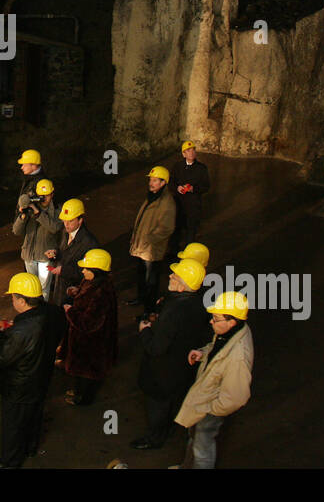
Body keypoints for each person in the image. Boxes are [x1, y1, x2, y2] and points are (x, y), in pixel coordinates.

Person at [131, 258, 209, 450]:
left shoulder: (174, 311)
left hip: (162, 373)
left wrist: (145, 330)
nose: (171, 276)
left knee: (157, 407)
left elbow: (156, 348)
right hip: (181, 369)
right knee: (171, 403)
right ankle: (168, 429)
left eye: (176, 276)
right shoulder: (198, 303)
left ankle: (155, 438)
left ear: (182, 287)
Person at [0, 272, 63, 469]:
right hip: (42, 377)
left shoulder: (24, 329)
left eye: (13, 297)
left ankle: (10, 462)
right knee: (34, 415)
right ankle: (30, 447)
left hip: (20, 386)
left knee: (13, 425)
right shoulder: (53, 312)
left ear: (21, 301)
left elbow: (1, 356)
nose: (12, 300)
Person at [174, 291, 253, 469]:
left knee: (203, 448)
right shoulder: (233, 332)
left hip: (210, 408)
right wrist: (203, 353)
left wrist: (211, 410)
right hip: (205, 401)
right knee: (195, 439)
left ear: (231, 321)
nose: (211, 321)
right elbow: (217, 349)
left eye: (216, 319)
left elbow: (236, 398)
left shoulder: (238, 357)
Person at [61, 248, 118, 406]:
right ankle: (79, 392)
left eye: (87, 268)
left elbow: (88, 323)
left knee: (88, 375)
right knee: (83, 374)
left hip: (91, 344)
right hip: (86, 342)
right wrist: (76, 292)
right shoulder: (94, 282)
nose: (83, 270)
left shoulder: (101, 293)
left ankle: (83, 399)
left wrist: (70, 311)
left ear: (97, 271)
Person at [127, 166, 177, 310]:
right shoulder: (152, 197)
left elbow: (166, 228)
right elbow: (142, 219)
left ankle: (149, 309)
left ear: (163, 183)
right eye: (150, 180)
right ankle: (141, 299)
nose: (151, 183)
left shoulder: (167, 202)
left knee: (151, 280)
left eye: (155, 180)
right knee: (142, 276)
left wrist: (149, 239)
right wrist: (136, 237)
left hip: (151, 249)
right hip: (142, 246)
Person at [47, 198, 98, 308]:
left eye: (70, 221)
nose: (66, 224)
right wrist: (54, 253)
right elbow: (61, 250)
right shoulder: (65, 232)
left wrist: (64, 270)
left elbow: (91, 273)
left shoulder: (89, 243)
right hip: (59, 289)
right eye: (64, 220)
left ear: (80, 220)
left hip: (75, 294)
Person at [14, 178, 58, 296]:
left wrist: (37, 212)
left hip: (46, 256)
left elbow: (54, 227)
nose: (43, 199)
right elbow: (16, 231)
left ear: (52, 194)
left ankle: (43, 311)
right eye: (41, 196)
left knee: (43, 288)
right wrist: (23, 216)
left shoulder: (57, 209)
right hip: (30, 255)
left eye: (46, 195)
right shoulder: (31, 208)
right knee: (32, 288)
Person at [172, 141, 212, 245]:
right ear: (183, 154)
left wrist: (193, 189)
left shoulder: (201, 168)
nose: (192, 152)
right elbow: (171, 182)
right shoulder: (178, 166)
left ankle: (189, 251)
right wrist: (177, 188)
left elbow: (206, 186)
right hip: (179, 204)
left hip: (193, 205)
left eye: (193, 150)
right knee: (177, 228)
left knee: (191, 230)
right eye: (188, 150)